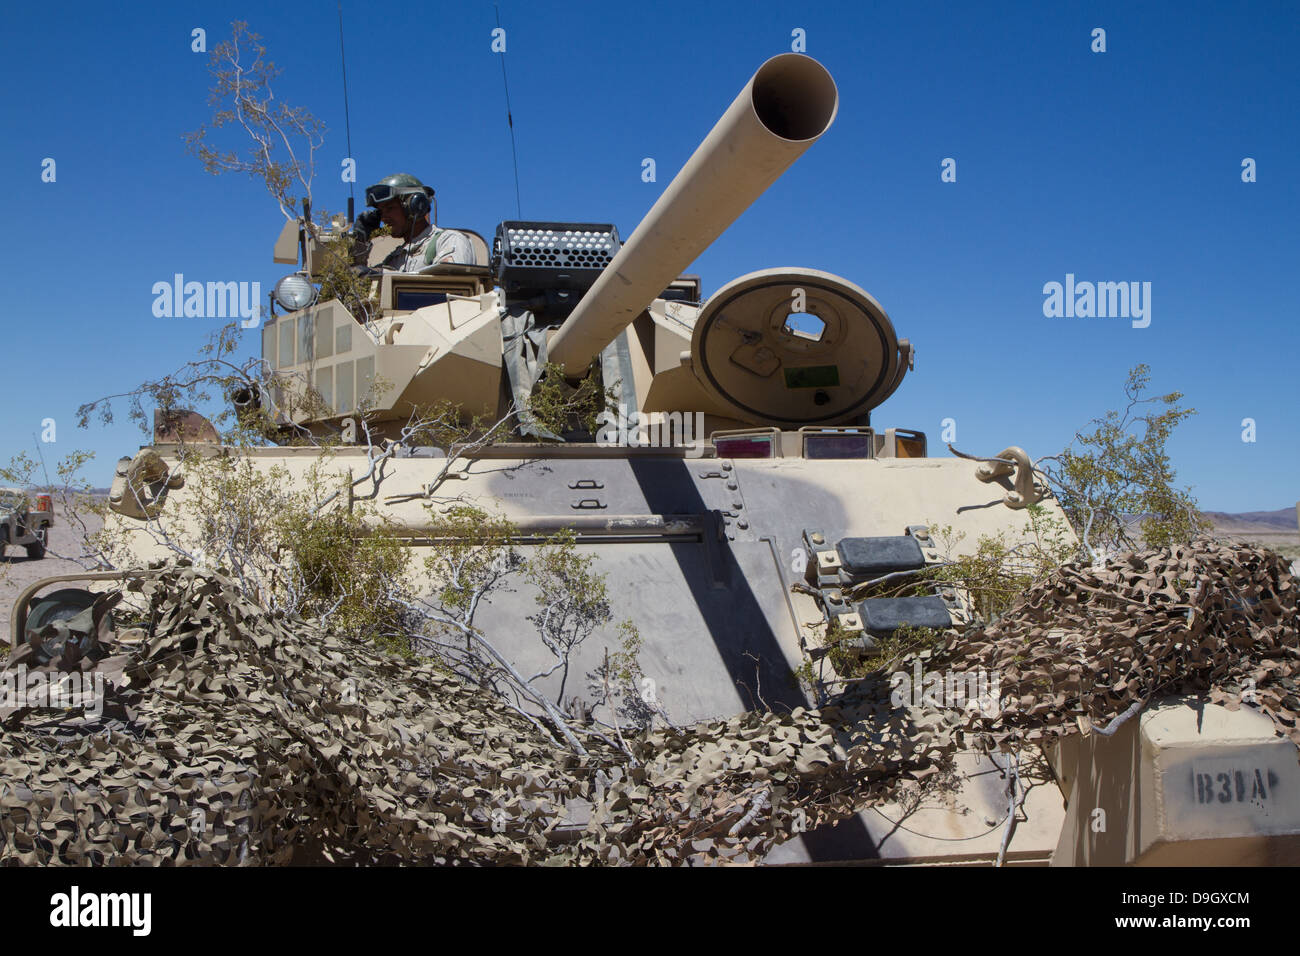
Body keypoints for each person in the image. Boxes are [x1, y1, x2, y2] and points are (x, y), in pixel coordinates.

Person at [349, 173, 476, 272]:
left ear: (414, 206)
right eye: (381, 212)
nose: (383, 218)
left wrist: (384, 275)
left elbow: (449, 281)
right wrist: (360, 242)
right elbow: (359, 284)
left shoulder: (449, 241)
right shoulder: (394, 260)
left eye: (390, 208)